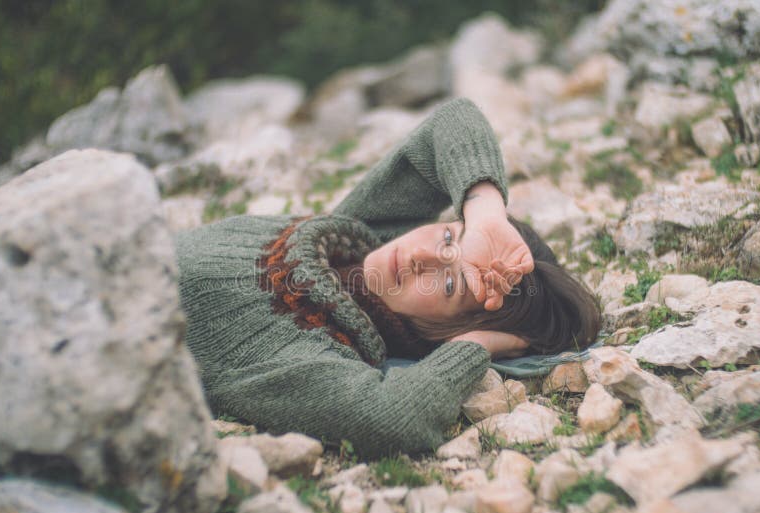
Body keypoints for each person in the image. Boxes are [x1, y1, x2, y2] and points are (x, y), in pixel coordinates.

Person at [174, 97, 601, 458]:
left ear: (445, 337)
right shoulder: (364, 232)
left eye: (449, 285)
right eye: (449, 237)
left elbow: (389, 420)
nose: (419, 257)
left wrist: (476, 346)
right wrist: (486, 212)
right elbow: (453, 119)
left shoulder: (316, 355)